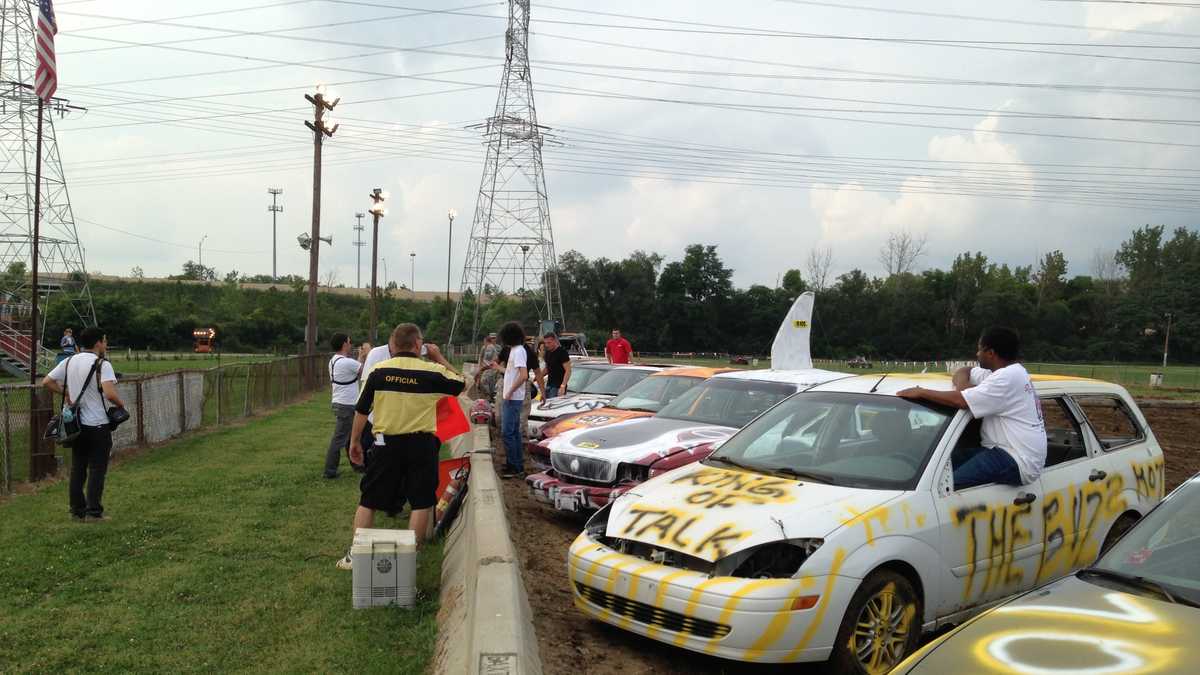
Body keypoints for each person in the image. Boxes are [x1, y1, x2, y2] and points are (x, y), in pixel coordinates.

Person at [336, 324, 465, 569]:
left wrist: (354, 442)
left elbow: (362, 411)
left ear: (393, 345)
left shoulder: (378, 372)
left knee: (369, 498)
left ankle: (355, 554)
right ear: (418, 345)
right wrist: (438, 356)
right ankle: (410, 558)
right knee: (420, 500)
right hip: (421, 443)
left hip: (386, 443)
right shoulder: (432, 372)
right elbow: (461, 384)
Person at [897, 327, 1046, 490]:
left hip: (1015, 459)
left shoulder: (1007, 378)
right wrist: (964, 388)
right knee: (937, 466)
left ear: (990, 353)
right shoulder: (1004, 373)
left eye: (979, 349)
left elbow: (960, 401)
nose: (976, 354)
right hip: (1001, 451)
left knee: (943, 487)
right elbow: (963, 371)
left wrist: (921, 392)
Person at [42, 326, 127, 522]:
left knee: (78, 468)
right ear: (98, 343)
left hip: (77, 425)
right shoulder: (102, 364)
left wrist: (68, 395)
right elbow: (109, 392)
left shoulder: (70, 360)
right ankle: (94, 512)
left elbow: (47, 381)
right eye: (104, 341)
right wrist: (121, 404)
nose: (105, 345)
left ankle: (77, 510)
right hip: (98, 424)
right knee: (97, 469)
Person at [325, 333, 369, 479]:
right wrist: (367, 354)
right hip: (347, 405)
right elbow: (365, 371)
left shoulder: (334, 361)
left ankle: (358, 465)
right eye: (350, 342)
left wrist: (361, 357)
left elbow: (355, 369)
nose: (351, 345)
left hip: (340, 402)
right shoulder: (346, 362)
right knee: (340, 438)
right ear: (344, 344)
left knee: (351, 436)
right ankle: (330, 471)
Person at [496, 321, 530, 478]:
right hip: (512, 397)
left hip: (512, 398)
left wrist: (510, 391)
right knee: (513, 432)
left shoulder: (518, 351)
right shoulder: (515, 351)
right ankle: (515, 464)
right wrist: (498, 368)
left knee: (507, 433)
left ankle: (515, 467)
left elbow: (524, 375)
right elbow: (513, 373)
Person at [540, 332, 572, 399]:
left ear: (555, 341)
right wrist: (537, 377)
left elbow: (568, 370)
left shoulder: (562, 352)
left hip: (558, 386)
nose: (547, 345)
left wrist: (563, 386)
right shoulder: (548, 353)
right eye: (545, 343)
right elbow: (547, 368)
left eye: (549, 343)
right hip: (549, 385)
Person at [474, 333, 501, 400]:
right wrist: (480, 367)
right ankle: (488, 396)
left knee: (491, 382)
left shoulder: (497, 347)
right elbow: (481, 357)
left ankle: (490, 396)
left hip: (494, 367)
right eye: (491, 338)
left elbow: (499, 358)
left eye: (494, 338)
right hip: (489, 367)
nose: (493, 339)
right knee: (485, 382)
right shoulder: (485, 347)